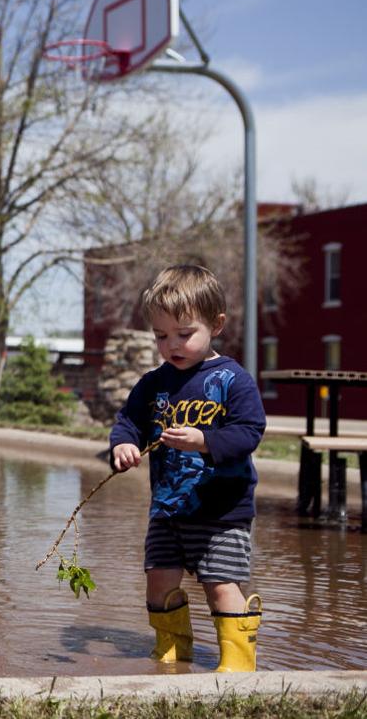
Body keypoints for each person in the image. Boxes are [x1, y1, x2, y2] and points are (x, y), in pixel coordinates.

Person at [109, 264, 266, 672]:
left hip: (221, 511)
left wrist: (205, 441)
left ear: (216, 325)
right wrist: (124, 444)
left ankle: (237, 663)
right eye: (161, 336)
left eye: (183, 334)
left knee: (220, 585)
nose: (171, 345)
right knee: (159, 581)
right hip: (168, 509)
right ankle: (174, 656)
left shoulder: (233, 380)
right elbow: (129, 421)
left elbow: (250, 432)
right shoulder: (153, 384)